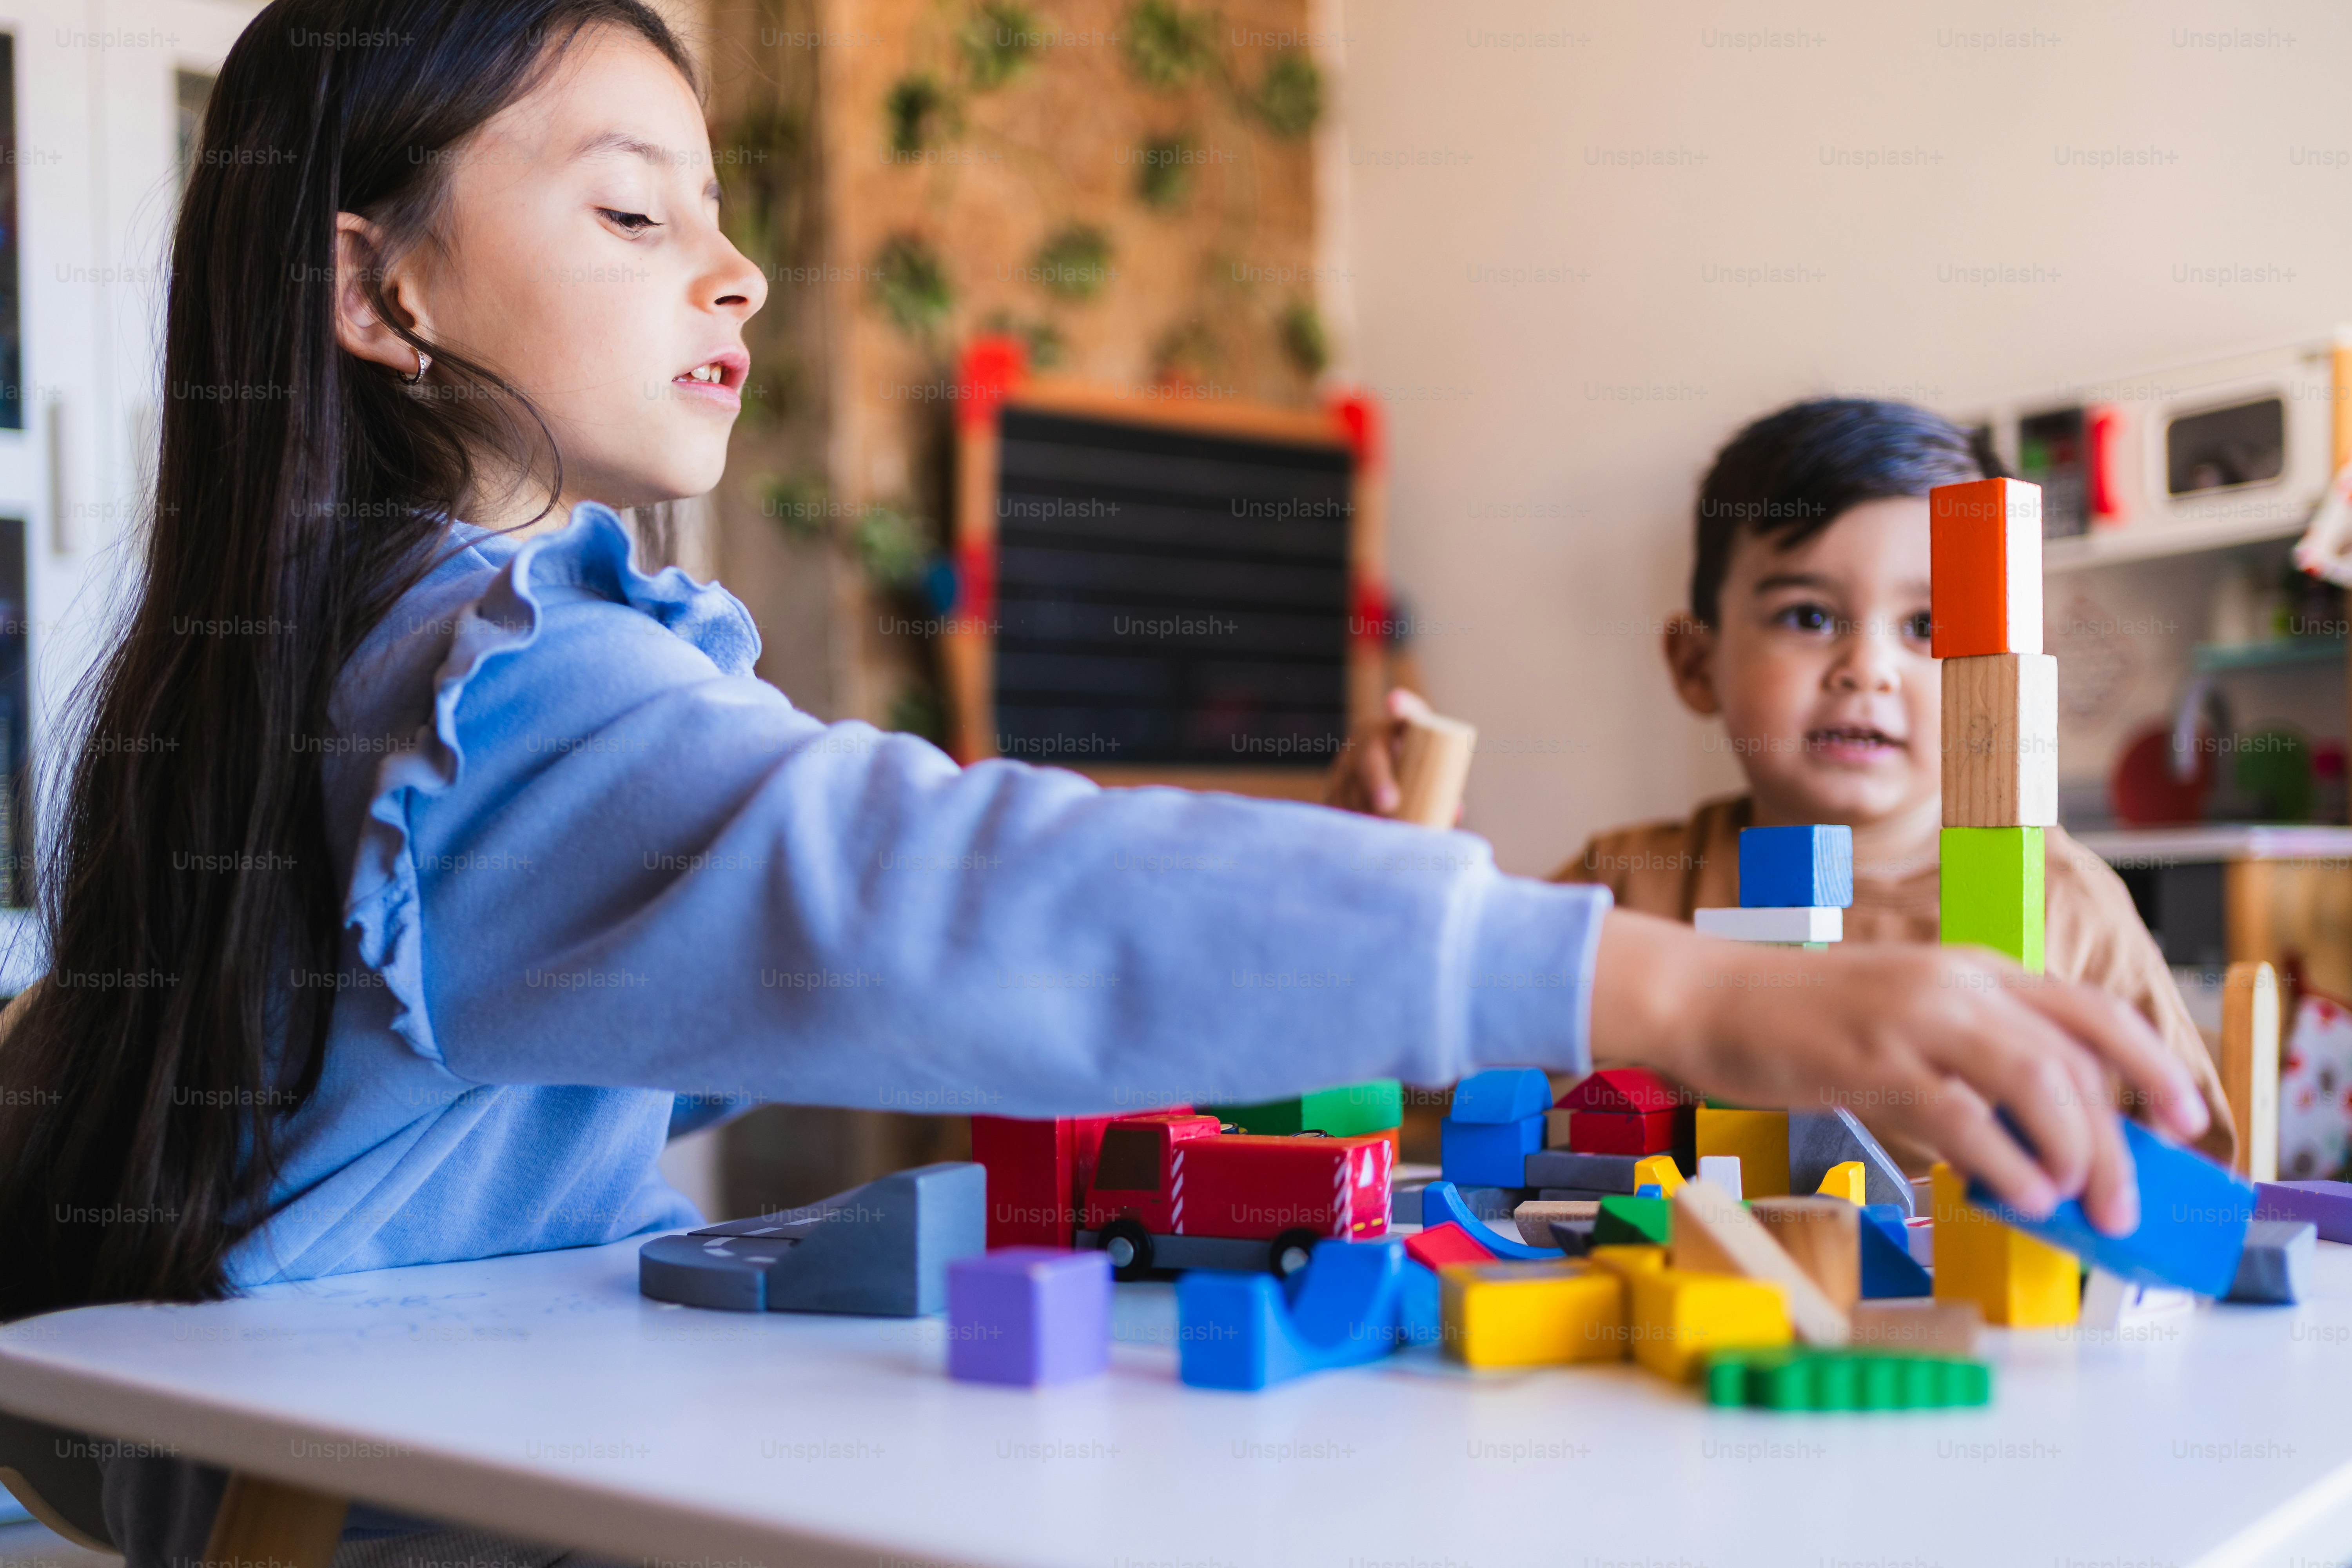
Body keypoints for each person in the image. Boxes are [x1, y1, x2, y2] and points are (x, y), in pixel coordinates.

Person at [0, 6, 2198, 1561]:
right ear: (377, 289)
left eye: (718, 210)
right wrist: (1692, 995)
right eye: (632, 213)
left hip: (394, 1432)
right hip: (415, 1504)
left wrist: (1303, 943)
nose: (735, 265)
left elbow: (733, 977)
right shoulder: (498, 695)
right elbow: (939, 892)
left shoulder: (350, 651)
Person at [1332, 398, 2234, 1170]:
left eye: (1927, 623)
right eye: (1810, 615)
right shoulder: (1631, 881)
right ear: (1696, 664)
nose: (1867, 666)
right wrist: (1377, 870)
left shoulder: (2068, 905)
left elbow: (2195, 1180)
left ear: (2002, 666)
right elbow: (1412, 1098)